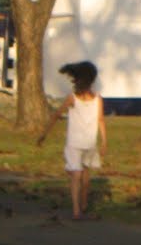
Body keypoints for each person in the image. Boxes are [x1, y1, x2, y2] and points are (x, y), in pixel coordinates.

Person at [38, 59, 106, 219]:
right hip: (90, 143)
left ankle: (77, 209)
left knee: (76, 175)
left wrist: (44, 134)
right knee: (85, 176)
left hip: (75, 143)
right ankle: (82, 204)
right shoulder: (98, 99)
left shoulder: (72, 98)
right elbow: (101, 120)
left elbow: (56, 115)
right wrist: (104, 141)